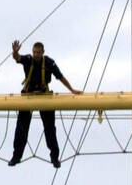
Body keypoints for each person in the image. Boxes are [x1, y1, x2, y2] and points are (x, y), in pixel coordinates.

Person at [9, 40, 81, 168]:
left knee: (50, 128)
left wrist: (71, 90)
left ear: (43, 53)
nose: (36, 54)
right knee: (21, 127)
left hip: (44, 95)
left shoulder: (49, 62)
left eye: (38, 52)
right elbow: (17, 58)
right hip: (28, 95)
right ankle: (16, 156)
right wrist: (15, 52)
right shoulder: (28, 59)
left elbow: (60, 77)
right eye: (34, 52)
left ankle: (54, 157)